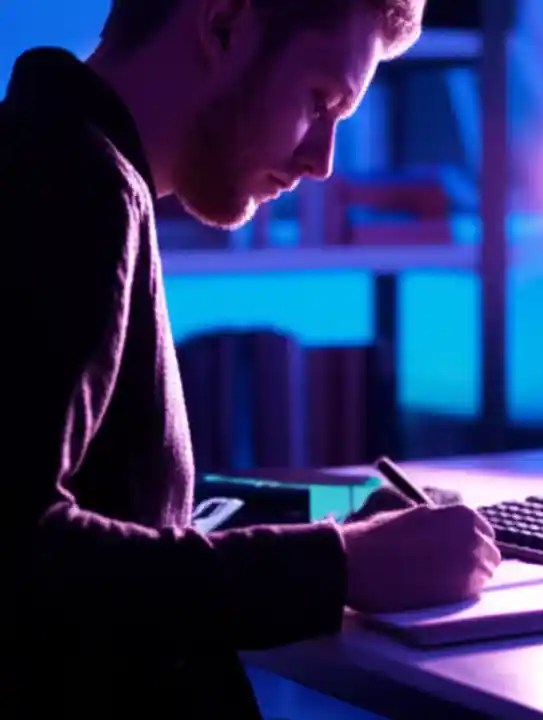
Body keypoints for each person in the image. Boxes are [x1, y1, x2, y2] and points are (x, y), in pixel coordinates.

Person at [0, 0, 501, 717]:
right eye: (320, 100)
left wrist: (346, 543)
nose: (322, 160)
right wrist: (343, 566)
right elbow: (15, 557)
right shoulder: (71, 180)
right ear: (224, 24)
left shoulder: (62, 157)